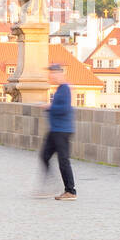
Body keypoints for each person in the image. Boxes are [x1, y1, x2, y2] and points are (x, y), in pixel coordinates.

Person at [38, 63, 77, 201]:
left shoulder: (65, 88)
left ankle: (70, 191)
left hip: (62, 130)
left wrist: (49, 107)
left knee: (63, 161)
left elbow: (64, 109)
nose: (50, 76)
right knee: (44, 156)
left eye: (52, 73)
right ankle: (51, 186)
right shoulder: (60, 89)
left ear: (59, 74)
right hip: (55, 130)